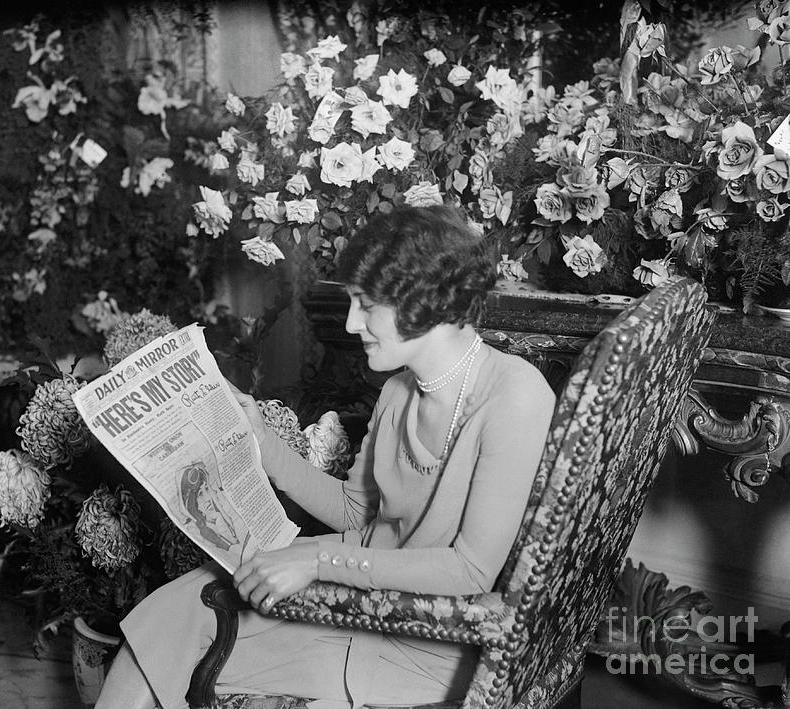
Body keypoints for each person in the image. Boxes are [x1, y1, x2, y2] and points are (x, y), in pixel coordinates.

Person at [96, 204, 556, 709]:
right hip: (355, 605)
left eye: (365, 303)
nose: (352, 321)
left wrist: (316, 559)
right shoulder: (399, 391)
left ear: (421, 300)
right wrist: (261, 441)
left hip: (427, 640)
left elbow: (471, 573)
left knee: (192, 626)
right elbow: (357, 513)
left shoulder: (516, 395)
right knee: (168, 614)